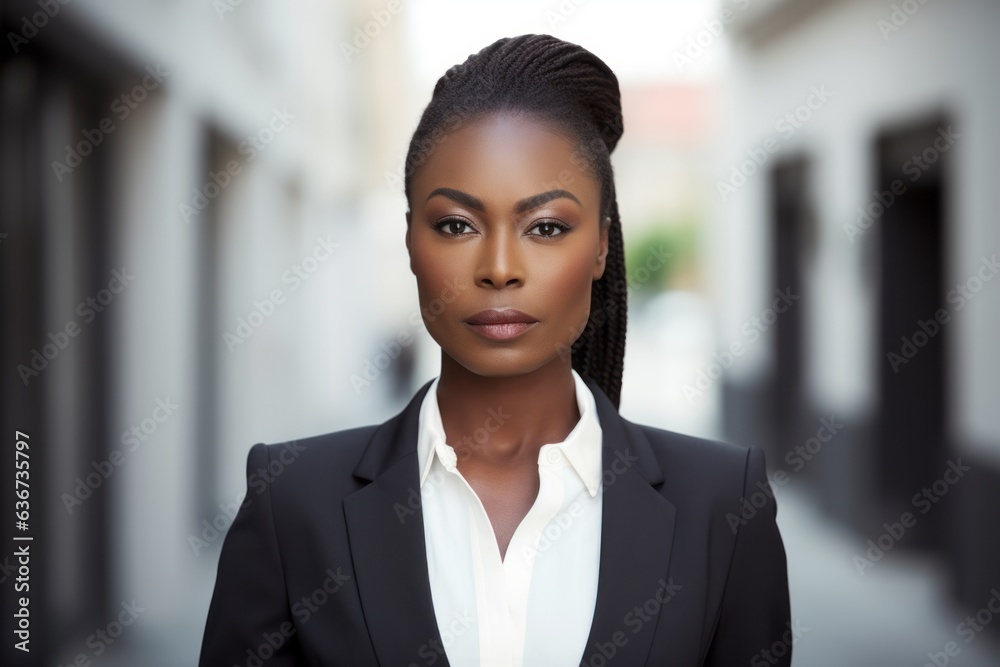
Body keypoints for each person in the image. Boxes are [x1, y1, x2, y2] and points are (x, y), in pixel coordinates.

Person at [198, 33, 792, 667]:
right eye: (457, 225)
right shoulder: (291, 502)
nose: (500, 268)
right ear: (409, 241)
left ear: (599, 247)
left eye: (546, 227)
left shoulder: (725, 504)